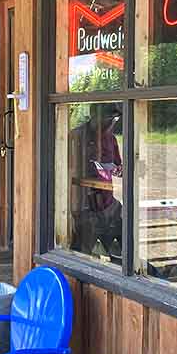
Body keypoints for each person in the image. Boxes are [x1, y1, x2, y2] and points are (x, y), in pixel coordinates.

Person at [71, 106, 123, 259]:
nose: (112, 123)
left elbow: (117, 165)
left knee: (126, 232)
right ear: (94, 117)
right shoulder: (75, 136)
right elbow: (63, 169)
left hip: (108, 203)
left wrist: (120, 170)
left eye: (115, 119)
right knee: (81, 255)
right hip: (84, 205)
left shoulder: (111, 139)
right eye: (108, 118)